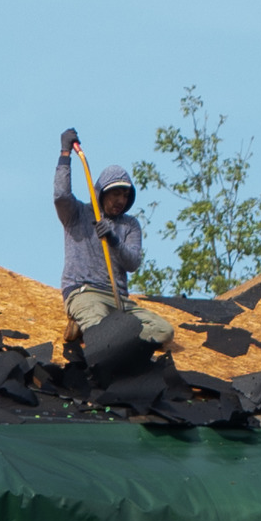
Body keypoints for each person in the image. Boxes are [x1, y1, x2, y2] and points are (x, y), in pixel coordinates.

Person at [55, 129, 175, 376]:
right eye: (116, 193)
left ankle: (111, 338)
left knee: (163, 331)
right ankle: (98, 336)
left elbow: (132, 262)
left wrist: (113, 239)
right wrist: (65, 154)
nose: (121, 199)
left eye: (125, 195)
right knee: (101, 335)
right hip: (85, 292)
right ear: (101, 193)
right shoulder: (77, 214)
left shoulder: (130, 225)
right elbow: (60, 196)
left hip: (119, 301)